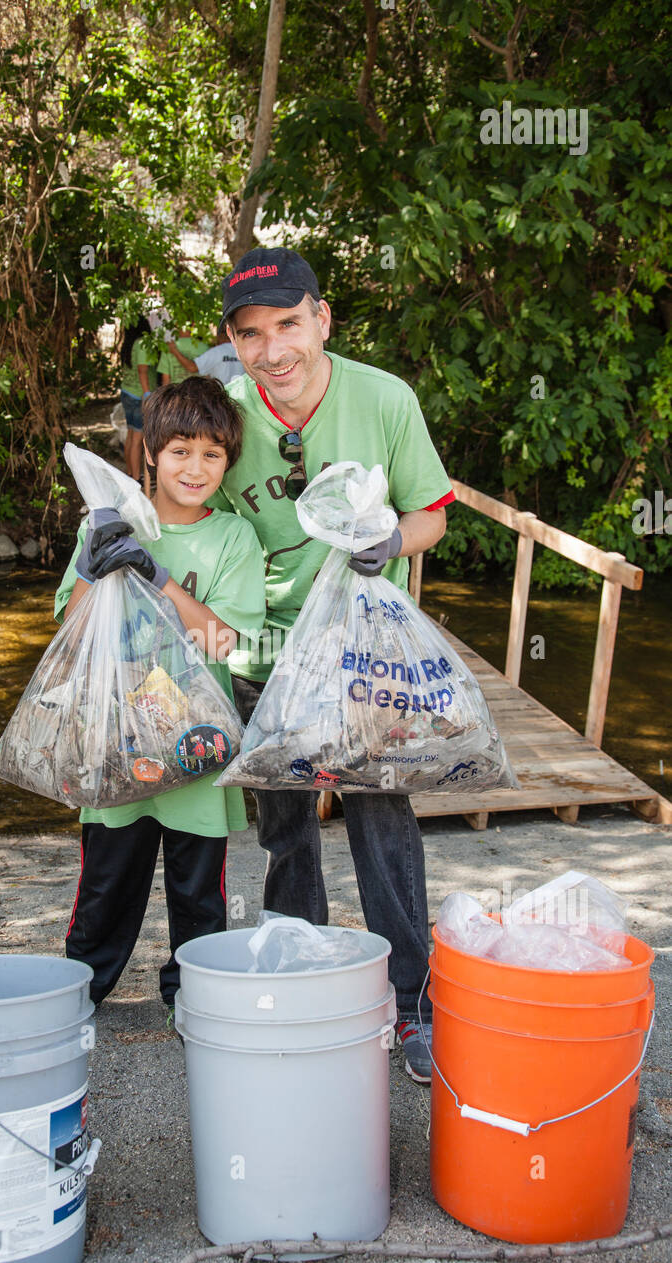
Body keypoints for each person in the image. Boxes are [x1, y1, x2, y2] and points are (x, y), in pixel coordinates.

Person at [216, 246, 455, 1083]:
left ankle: (414, 1003)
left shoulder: (384, 398)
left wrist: (393, 540)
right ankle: (304, 981)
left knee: (383, 828)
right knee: (285, 840)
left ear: (322, 318)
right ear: (234, 344)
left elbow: (433, 513)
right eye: (251, 333)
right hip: (262, 657)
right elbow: (185, 511)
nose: (273, 350)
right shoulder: (226, 415)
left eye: (288, 323)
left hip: (362, 659)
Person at [54, 376, 265, 1016]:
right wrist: (96, 564)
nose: (194, 468)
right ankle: (80, 994)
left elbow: (226, 644)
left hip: (198, 748)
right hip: (118, 743)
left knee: (199, 890)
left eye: (211, 454)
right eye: (179, 451)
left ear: (228, 461)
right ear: (150, 453)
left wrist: (158, 575)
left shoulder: (234, 538)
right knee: (106, 883)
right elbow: (68, 629)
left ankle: (193, 999)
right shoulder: (113, 525)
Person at [118, 315, 159, 486]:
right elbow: (143, 370)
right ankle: (136, 478)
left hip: (127, 391)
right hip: (138, 395)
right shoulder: (142, 343)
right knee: (137, 438)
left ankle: (130, 473)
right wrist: (147, 394)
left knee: (130, 434)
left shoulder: (128, 344)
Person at [167, 329, 244, 385]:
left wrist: (174, 351)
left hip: (223, 397)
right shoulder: (242, 350)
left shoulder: (217, 352)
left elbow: (192, 367)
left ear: (221, 335)